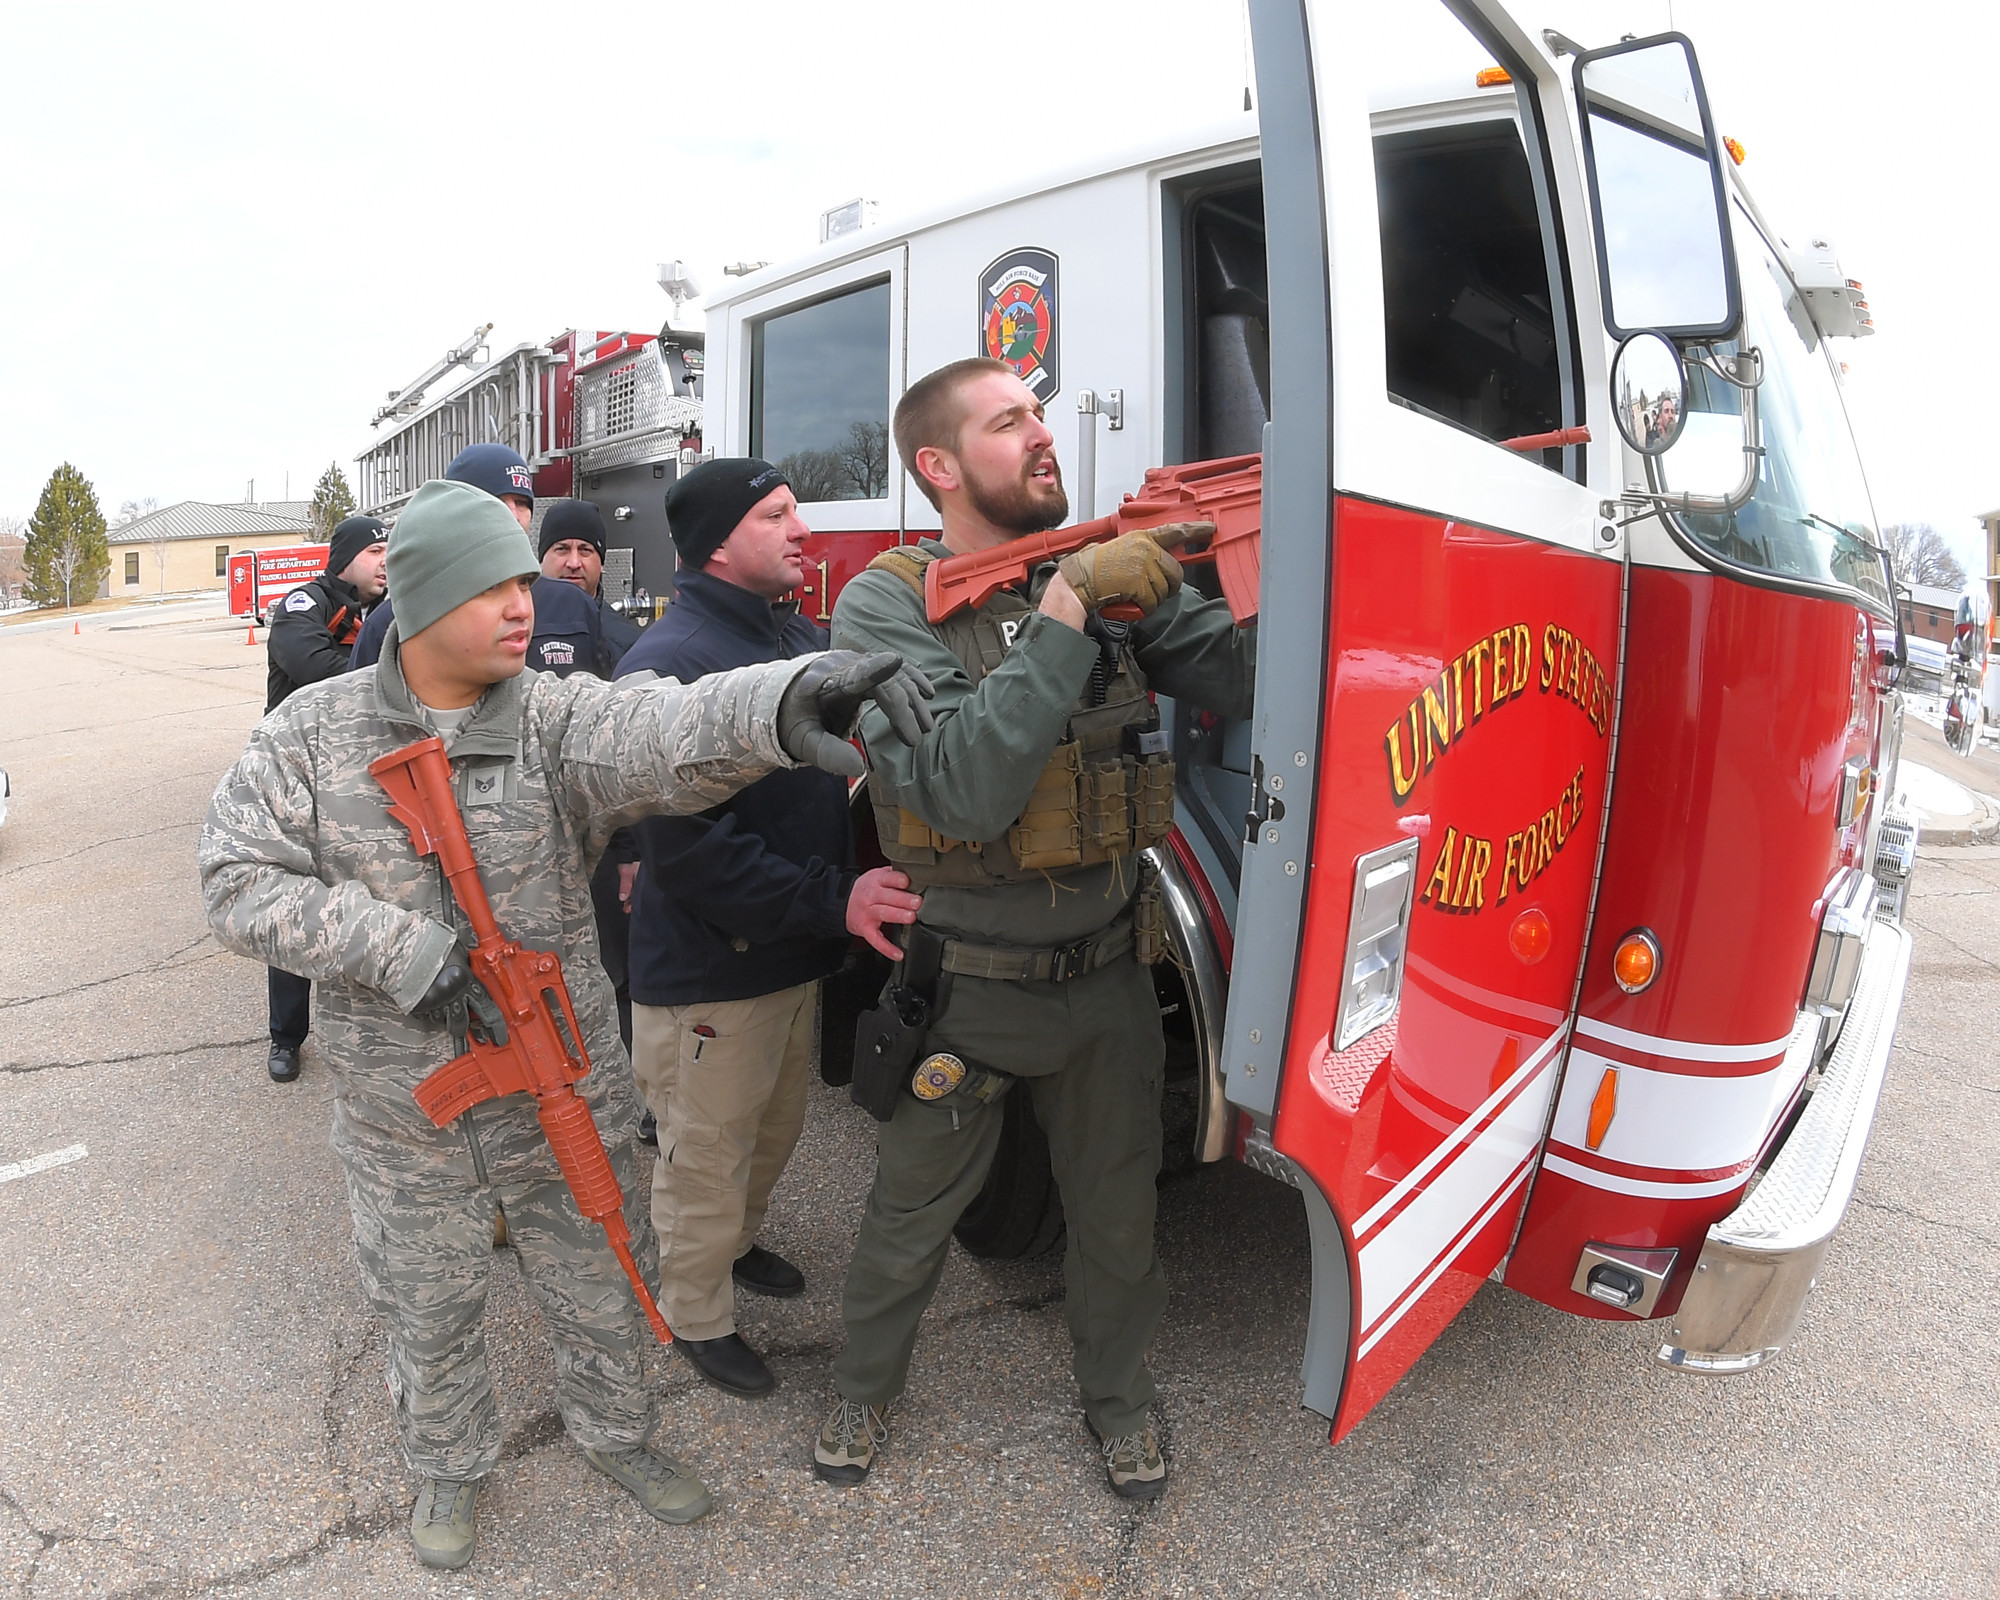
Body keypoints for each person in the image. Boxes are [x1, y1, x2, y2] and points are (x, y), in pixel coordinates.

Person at [198, 477, 932, 1570]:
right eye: (488, 585)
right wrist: (402, 949)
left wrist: (784, 700)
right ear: (419, 595)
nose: (521, 603)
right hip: (409, 1113)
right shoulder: (311, 735)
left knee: (600, 1276)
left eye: (523, 579)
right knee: (431, 1302)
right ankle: (448, 1465)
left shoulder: (554, 716)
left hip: (559, 1087)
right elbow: (232, 883)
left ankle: (618, 1434)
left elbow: (663, 728)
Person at [813, 357, 1255, 1501]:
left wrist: (1246, 563)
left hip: (1106, 978)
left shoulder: (1097, 571)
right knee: (909, 1216)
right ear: (939, 466)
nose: (1042, 434)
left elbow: (1247, 674)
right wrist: (1065, 609)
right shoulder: (885, 605)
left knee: (1116, 1225)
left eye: (1041, 414)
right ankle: (860, 1392)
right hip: (967, 985)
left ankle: (1119, 1402)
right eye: (1008, 422)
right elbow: (963, 789)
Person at [613, 459, 922, 1399]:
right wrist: (838, 902)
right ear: (715, 540)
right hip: (713, 968)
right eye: (777, 515)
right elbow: (690, 856)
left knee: (772, 1132)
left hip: (788, 956)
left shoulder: (797, 639)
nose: (802, 529)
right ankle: (694, 1312)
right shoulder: (666, 664)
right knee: (705, 1155)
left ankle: (735, 1250)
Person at [261, 514, 388, 1084]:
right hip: (300, 778)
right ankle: (286, 1037)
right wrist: (385, 664)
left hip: (362, 775)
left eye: (391, 550)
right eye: (374, 551)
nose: (385, 560)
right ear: (344, 558)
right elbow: (318, 670)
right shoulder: (301, 607)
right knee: (295, 904)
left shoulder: (382, 612)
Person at [350, 443, 536, 671]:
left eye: (522, 503)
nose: (512, 515)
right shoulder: (393, 620)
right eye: (495, 502)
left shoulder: (565, 603)